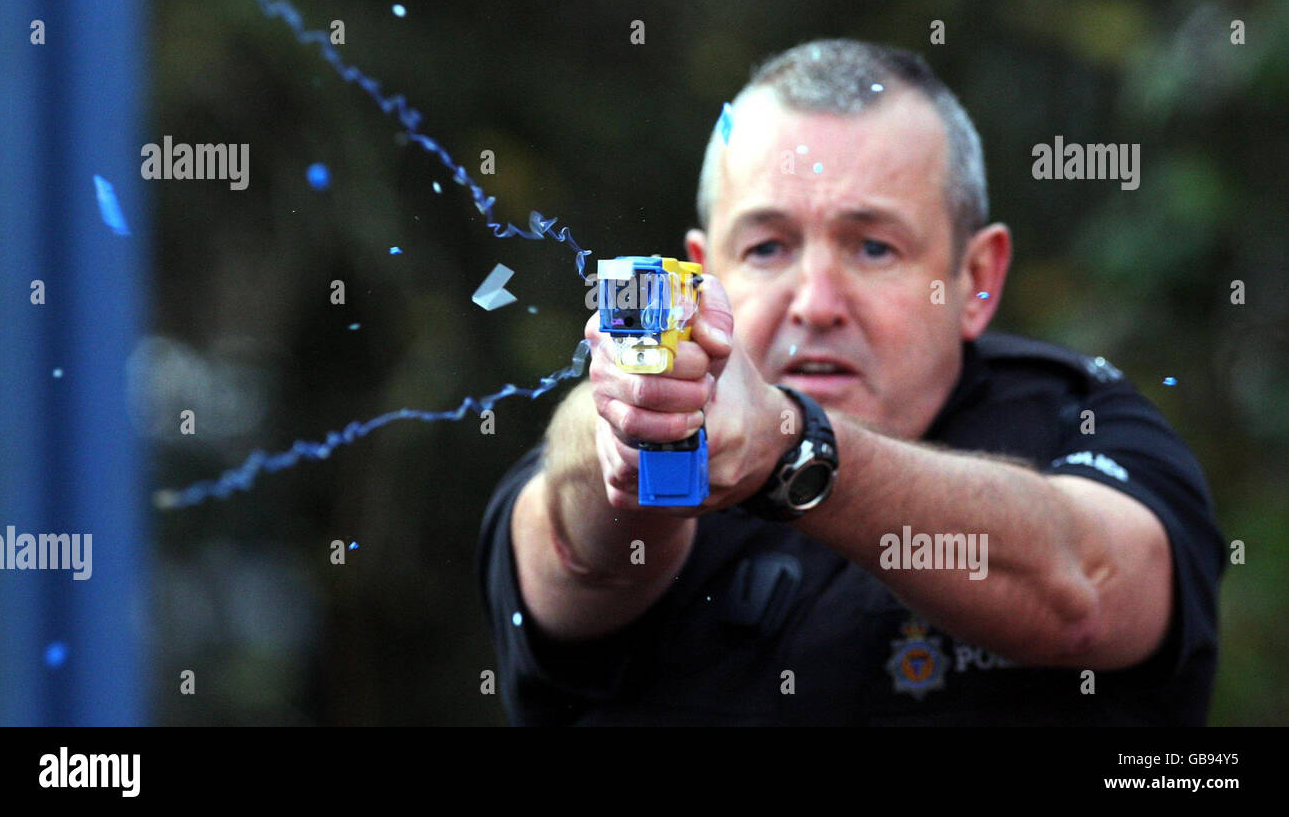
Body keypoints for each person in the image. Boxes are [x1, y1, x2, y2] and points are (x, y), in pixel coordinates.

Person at [477, 39, 1224, 725]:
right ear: (704, 273)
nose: (816, 302)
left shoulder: (1080, 419)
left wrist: (793, 446)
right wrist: (633, 419)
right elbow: (578, 548)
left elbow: (1083, 592)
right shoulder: (667, 437)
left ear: (977, 279)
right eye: (768, 247)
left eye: (873, 247)